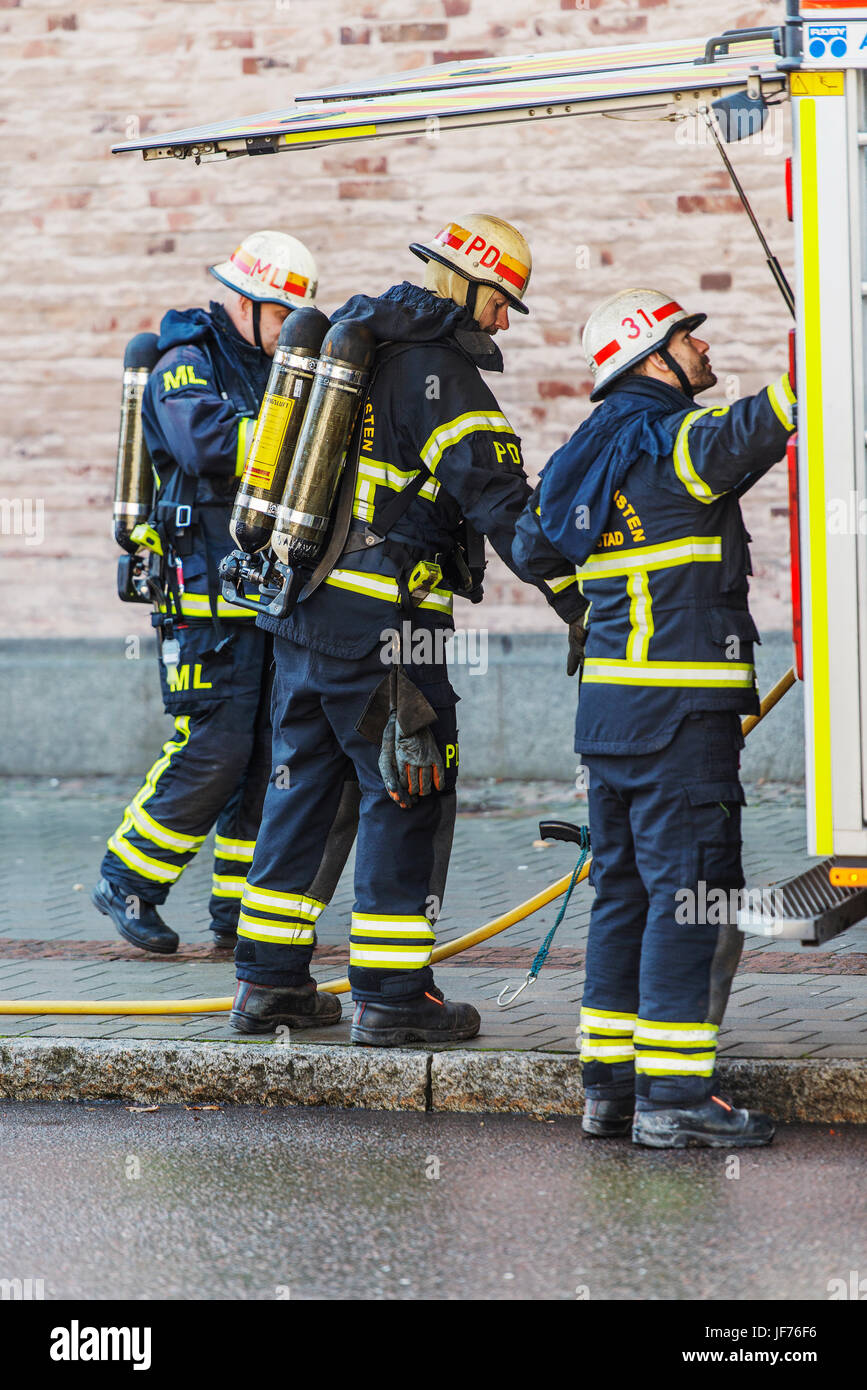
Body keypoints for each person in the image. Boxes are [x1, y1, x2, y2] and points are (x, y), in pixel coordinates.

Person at [229, 214, 585, 1041]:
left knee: (304, 792)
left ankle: (269, 983)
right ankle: (392, 998)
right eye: (501, 302)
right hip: (387, 634)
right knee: (407, 791)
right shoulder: (438, 376)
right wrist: (576, 600)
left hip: (303, 615)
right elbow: (503, 505)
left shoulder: (358, 347)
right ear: (464, 285)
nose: (503, 321)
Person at [512, 286, 796, 1147]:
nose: (704, 352)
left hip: (609, 720)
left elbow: (531, 548)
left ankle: (609, 1090)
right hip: (680, 720)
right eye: (688, 340)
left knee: (624, 896)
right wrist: (828, 335)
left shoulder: (584, 457)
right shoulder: (674, 443)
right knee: (693, 898)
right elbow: (773, 414)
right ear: (653, 357)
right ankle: (673, 1102)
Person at [93, 231, 319, 954]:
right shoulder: (186, 362)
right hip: (199, 603)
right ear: (247, 302)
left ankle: (238, 907)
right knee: (214, 747)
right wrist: (297, 439)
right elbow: (204, 445)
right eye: (282, 313)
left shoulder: (265, 364)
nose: (289, 329)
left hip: (259, 595)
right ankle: (126, 879)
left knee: (263, 753)